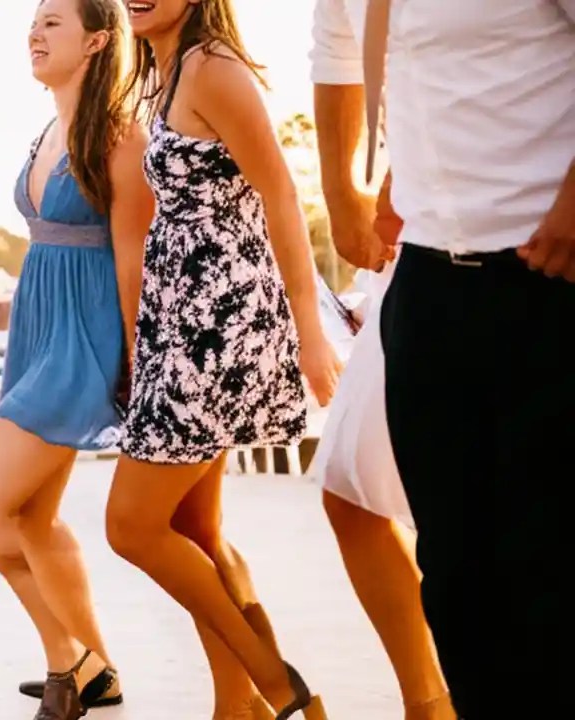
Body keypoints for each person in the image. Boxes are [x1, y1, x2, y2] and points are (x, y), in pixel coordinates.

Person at [105, 1, 342, 718]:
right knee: (194, 532)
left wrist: (309, 331)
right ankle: (237, 705)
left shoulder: (212, 68)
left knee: (132, 526)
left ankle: (275, 681)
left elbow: (280, 193)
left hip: (221, 329)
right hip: (183, 325)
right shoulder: (164, 72)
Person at [363, 1, 575, 716]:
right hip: (427, 283)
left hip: (545, 276)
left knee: (546, 559)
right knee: (452, 569)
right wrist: (405, 175)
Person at [0, 0, 150, 718]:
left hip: (85, 338)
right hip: (38, 331)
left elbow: (131, 254)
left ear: (99, 39)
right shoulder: (46, 129)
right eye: (34, 21)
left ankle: (73, 658)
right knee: (32, 517)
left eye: (54, 22)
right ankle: (88, 666)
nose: (34, 33)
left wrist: (134, 359)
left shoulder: (120, 134)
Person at [305, 1, 452, 717]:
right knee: (349, 483)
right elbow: (335, 61)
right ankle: (428, 701)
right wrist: (342, 194)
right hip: (419, 244)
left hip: (528, 228)